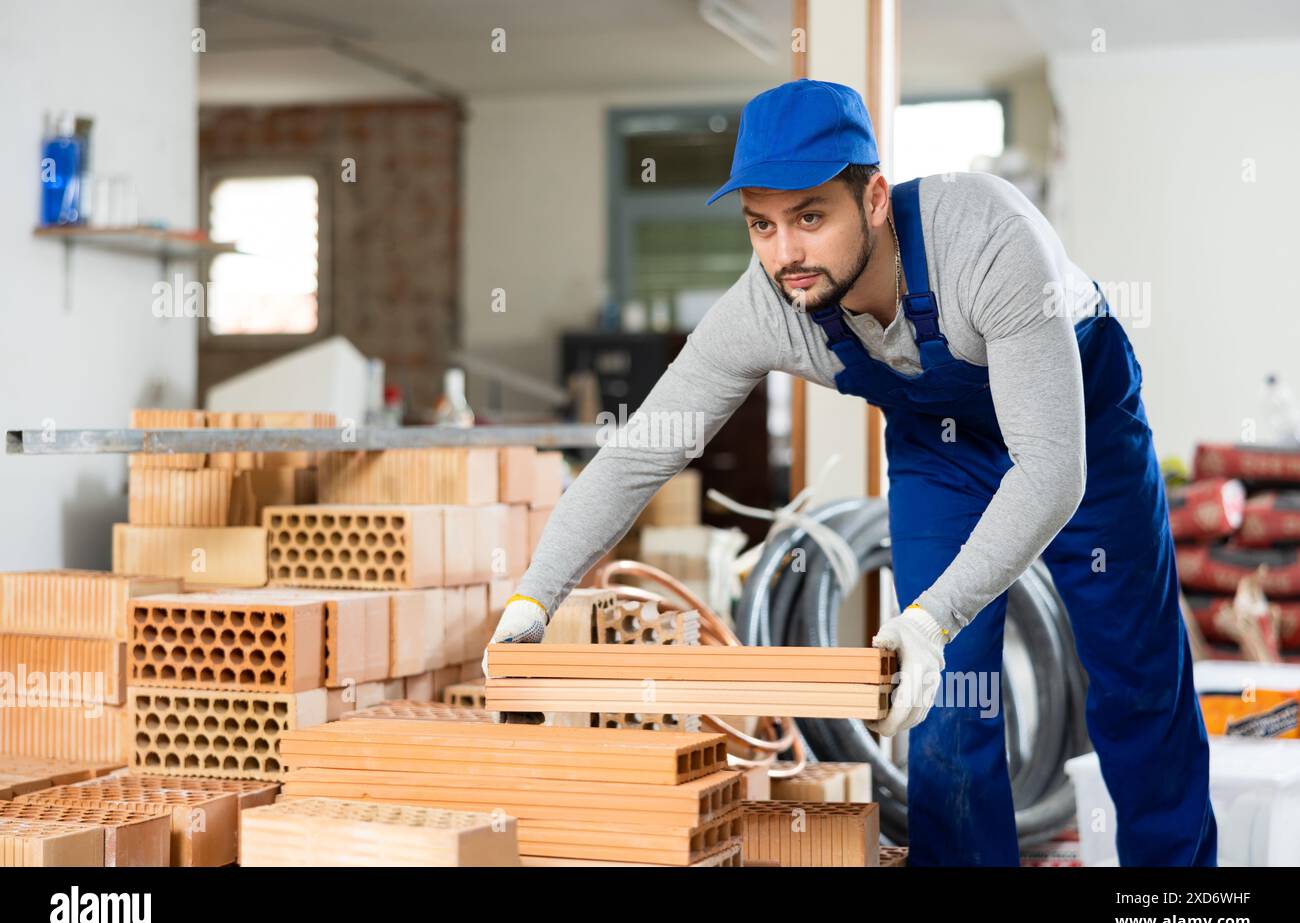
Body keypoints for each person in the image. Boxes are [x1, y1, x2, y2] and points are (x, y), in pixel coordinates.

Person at [487, 79, 1217, 866]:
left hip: (1078, 425)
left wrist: (934, 615)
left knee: (1134, 671)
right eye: (760, 226)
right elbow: (643, 451)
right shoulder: (764, 306)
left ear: (873, 197)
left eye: (809, 218)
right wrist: (535, 596)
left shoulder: (993, 241)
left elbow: (1051, 473)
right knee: (941, 700)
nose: (785, 255)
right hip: (940, 448)